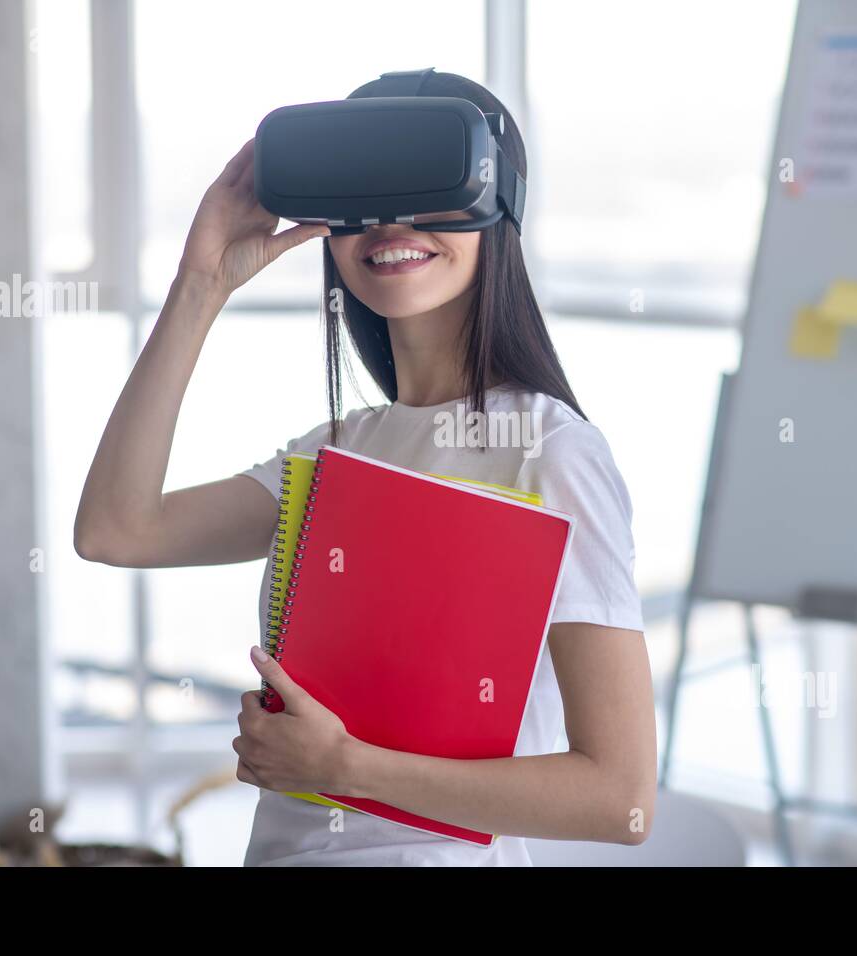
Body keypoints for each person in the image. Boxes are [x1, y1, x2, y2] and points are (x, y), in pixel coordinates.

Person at [75, 71, 656, 866]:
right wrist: (200, 286)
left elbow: (619, 797)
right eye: (362, 197)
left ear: (498, 204)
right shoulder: (333, 451)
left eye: (427, 187)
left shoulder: (549, 451)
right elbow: (117, 530)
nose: (391, 223)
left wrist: (344, 768)